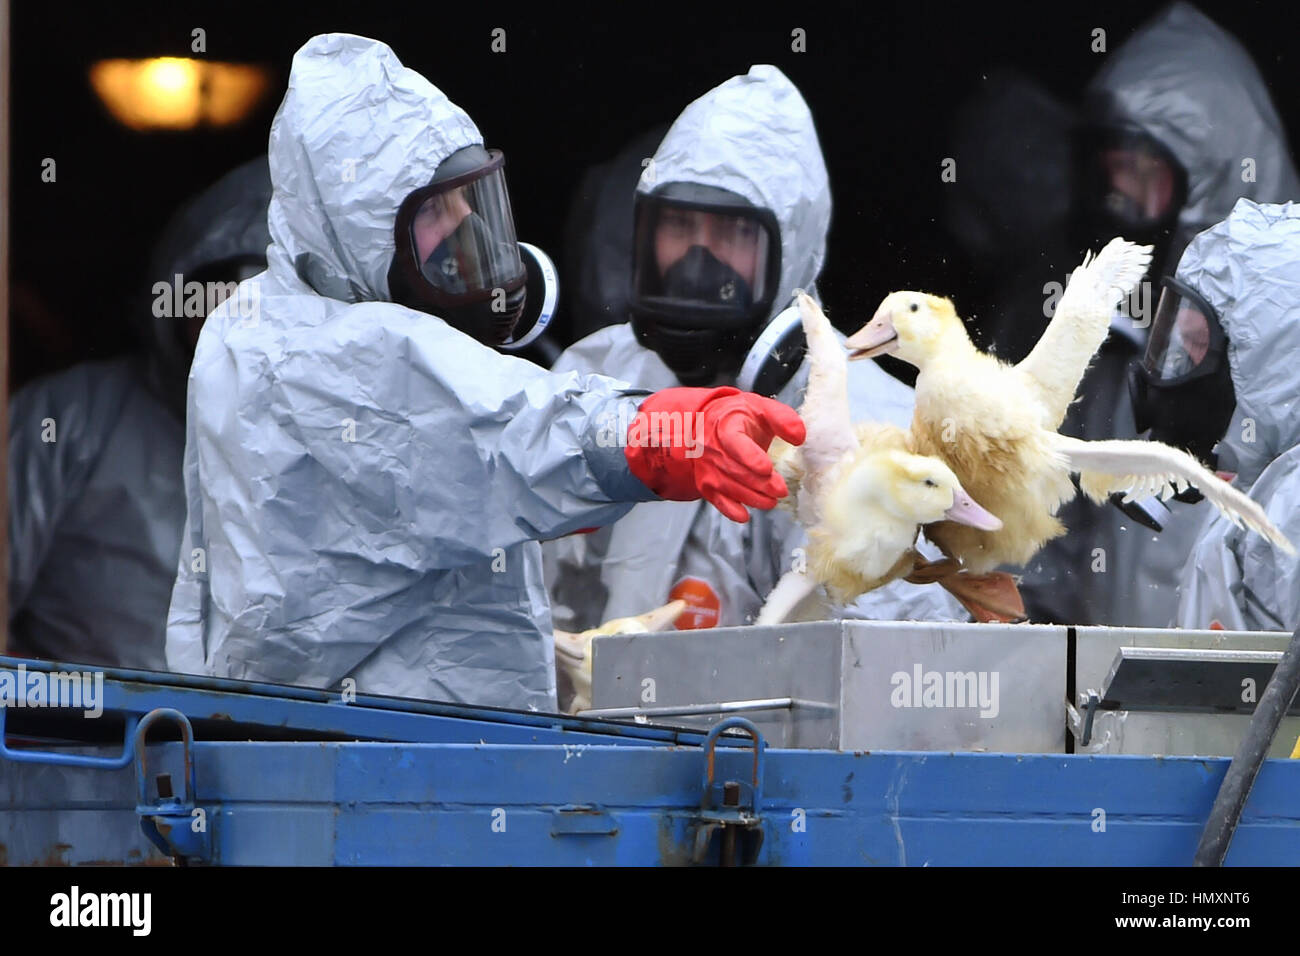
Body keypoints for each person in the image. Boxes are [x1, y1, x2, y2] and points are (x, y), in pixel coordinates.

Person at [164, 35, 804, 712]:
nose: (469, 230)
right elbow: (509, 431)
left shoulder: (268, 319)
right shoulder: (308, 359)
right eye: (436, 211)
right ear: (357, 231)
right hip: (371, 769)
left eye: (474, 201)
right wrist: (665, 430)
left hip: (392, 756)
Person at [544, 65, 964, 632]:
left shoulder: (869, 434)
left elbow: (875, 678)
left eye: (732, 234)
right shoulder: (596, 382)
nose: (698, 260)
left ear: (791, 246)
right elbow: (540, 608)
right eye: (678, 226)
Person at [1018, 2, 1300, 628]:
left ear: (1214, 172)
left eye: (1143, 173)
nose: (1120, 201)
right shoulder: (1113, 355)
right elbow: (1056, 545)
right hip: (1117, 709)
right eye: (1109, 174)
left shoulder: (1278, 401)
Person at [7, 158, 271, 669]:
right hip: (75, 746)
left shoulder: (349, 450)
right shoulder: (71, 419)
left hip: (280, 749)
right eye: (215, 304)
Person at [1167, 200, 1300, 632]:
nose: (1178, 367)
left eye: (1196, 346)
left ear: (1269, 356)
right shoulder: (1263, 491)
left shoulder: (1289, 514)